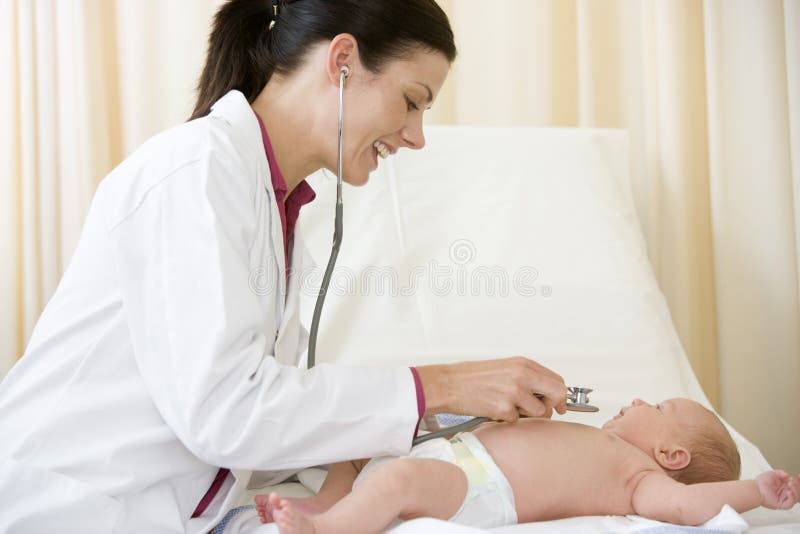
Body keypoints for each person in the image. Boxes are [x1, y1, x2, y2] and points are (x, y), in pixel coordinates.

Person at [0, 1, 569, 533]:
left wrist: (422, 431)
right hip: (65, 507)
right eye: (412, 100)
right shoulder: (194, 171)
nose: (416, 136)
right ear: (343, 61)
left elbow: (261, 424)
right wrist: (440, 387)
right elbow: (226, 413)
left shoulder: (277, 212)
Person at [255, 398, 800, 533]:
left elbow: (686, 506)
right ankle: (324, 502)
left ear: (671, 455)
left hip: (477, 486)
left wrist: (754, 490)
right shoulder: (594, 436)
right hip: (453, 450)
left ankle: (327, 527)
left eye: (656, 407)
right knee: (358, 442)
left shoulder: (642, 480)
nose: (636, 400)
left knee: (400, 480)